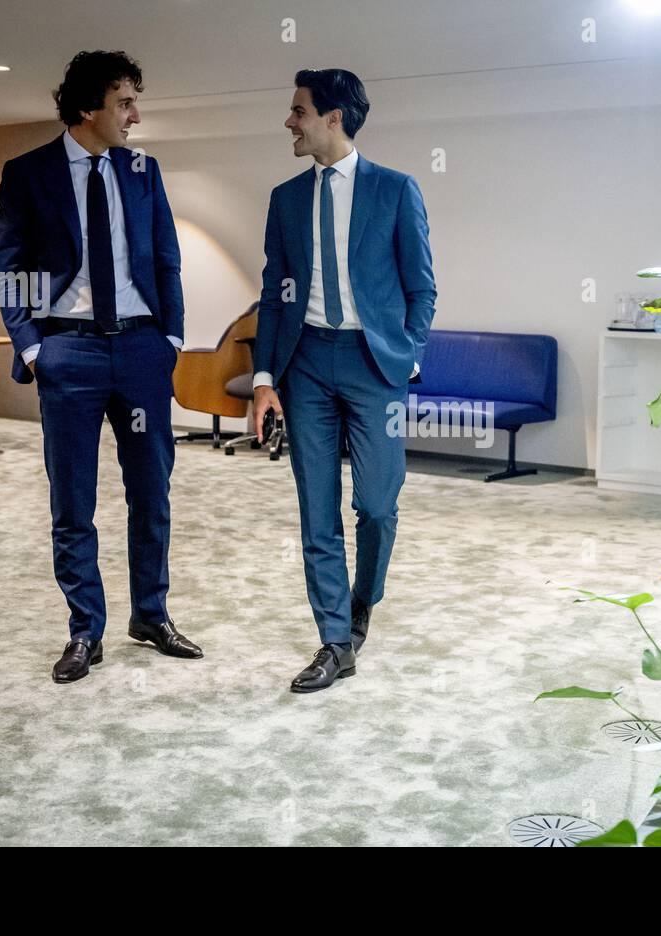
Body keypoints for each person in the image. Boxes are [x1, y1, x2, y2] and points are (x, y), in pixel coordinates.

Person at [0, 50, 202, 683]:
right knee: (73, 501)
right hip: (69, 353)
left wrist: (170, 337)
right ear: (88, 108)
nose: (135, 115)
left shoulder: (143, 170)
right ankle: (86, 630)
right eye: (124, 103)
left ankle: (151, 612)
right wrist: (34, 348)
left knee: (151, 491)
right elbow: (11, 270)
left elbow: (166, 258)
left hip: (141, 350)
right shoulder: (28, 173)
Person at [251, 68, 437, 693]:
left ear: (333, 117)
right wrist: (264, 375)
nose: (289, 122)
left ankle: (364, 600)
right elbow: (275, 296)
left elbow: (421, 287)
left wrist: (406, 356)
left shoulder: (395, 189)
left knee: (378, 505)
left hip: (374, 364)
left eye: (298, 111)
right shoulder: (284, 199)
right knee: (316, 508)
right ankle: (335, 640)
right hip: (305, 365)